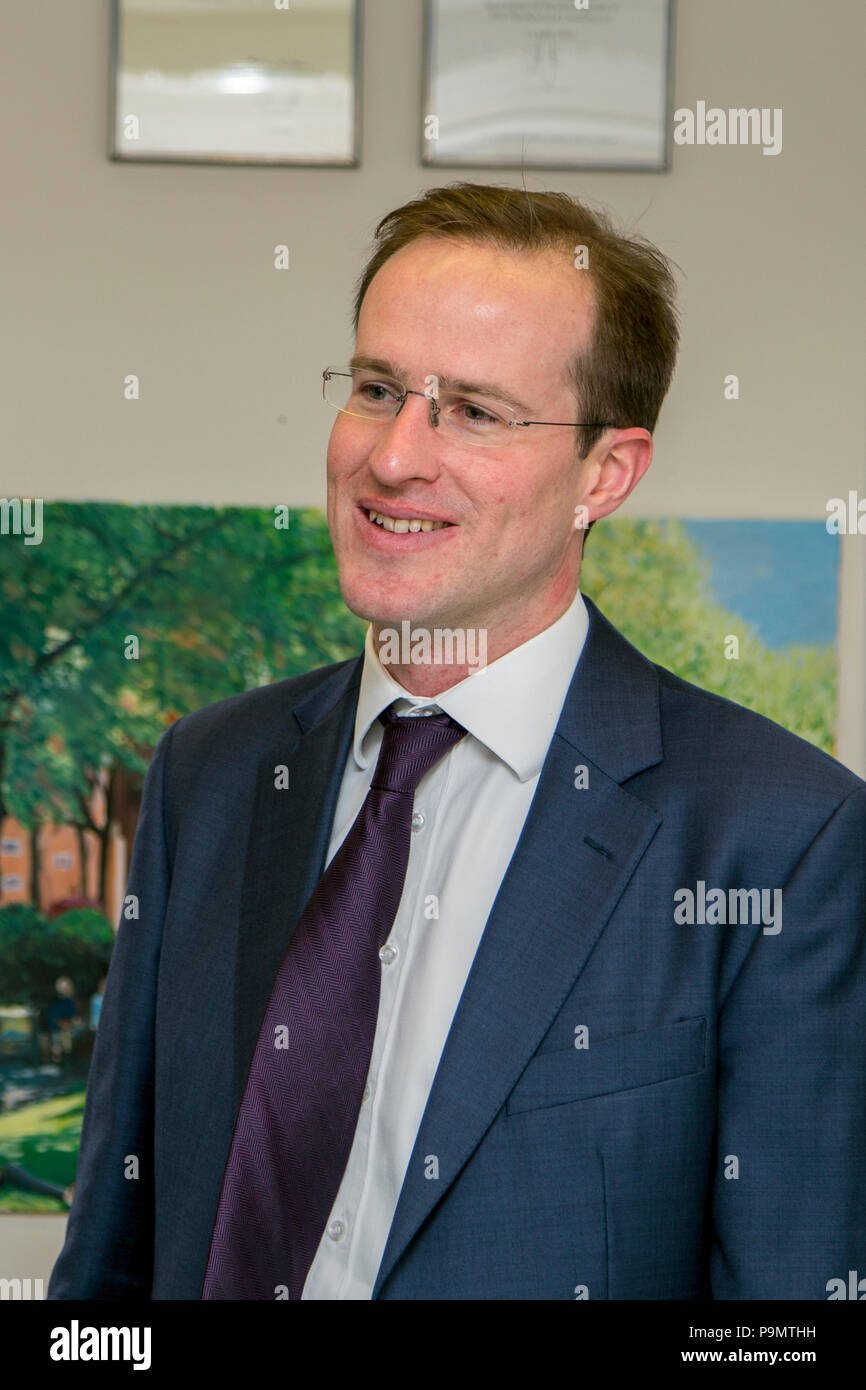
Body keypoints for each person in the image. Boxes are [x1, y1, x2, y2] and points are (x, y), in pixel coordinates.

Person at [48, 183, 866, 1301]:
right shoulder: (212, 774)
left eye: (474, 411)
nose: (392, 458)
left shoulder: (778, 837)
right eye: (378, 388)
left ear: (604, 474)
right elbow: (112, 1258)